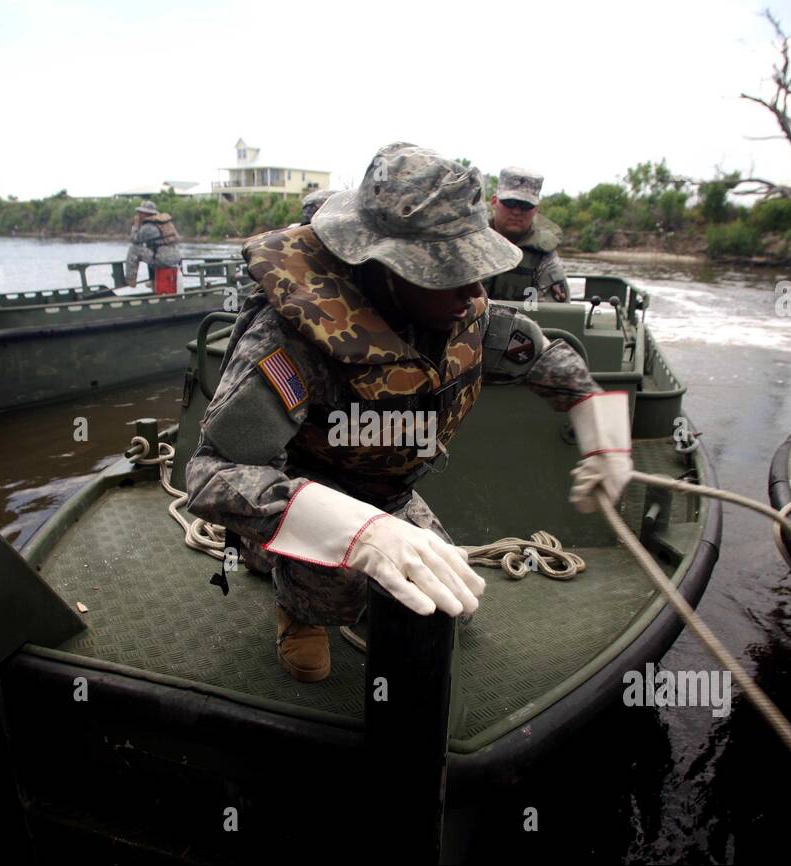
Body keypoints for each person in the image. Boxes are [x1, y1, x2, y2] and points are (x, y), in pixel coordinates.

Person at [185, 143, 631, 683]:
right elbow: (212, 476)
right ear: (380, 267)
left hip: (389, 493)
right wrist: (359, 533)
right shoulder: (292, 338)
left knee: (451, 605)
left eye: (476, 267)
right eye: (446, 272)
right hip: (312, 493)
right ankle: (294, 602)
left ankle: (341, 557)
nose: (473, 291)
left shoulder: (461, 310)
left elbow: (540, 356)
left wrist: (601, 430)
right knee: (332, 591)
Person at [483, 167, 570, 304]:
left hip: (521, 324)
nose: (517, 212)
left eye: (526, 205)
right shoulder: (472, 239)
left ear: (536, 209)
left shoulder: (543, 256)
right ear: (494, 202)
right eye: (509, 202)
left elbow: (555, 312)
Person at [124, 200, 182, 294]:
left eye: (140, 213)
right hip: (176, 259)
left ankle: (130, 280)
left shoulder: (148, 226)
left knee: (134, 249)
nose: (138, 215)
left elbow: (135, 239)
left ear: (145, 214)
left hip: (163, 261)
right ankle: (153, 281)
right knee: (151, 251)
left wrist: (135, 225)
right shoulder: (165, 223)